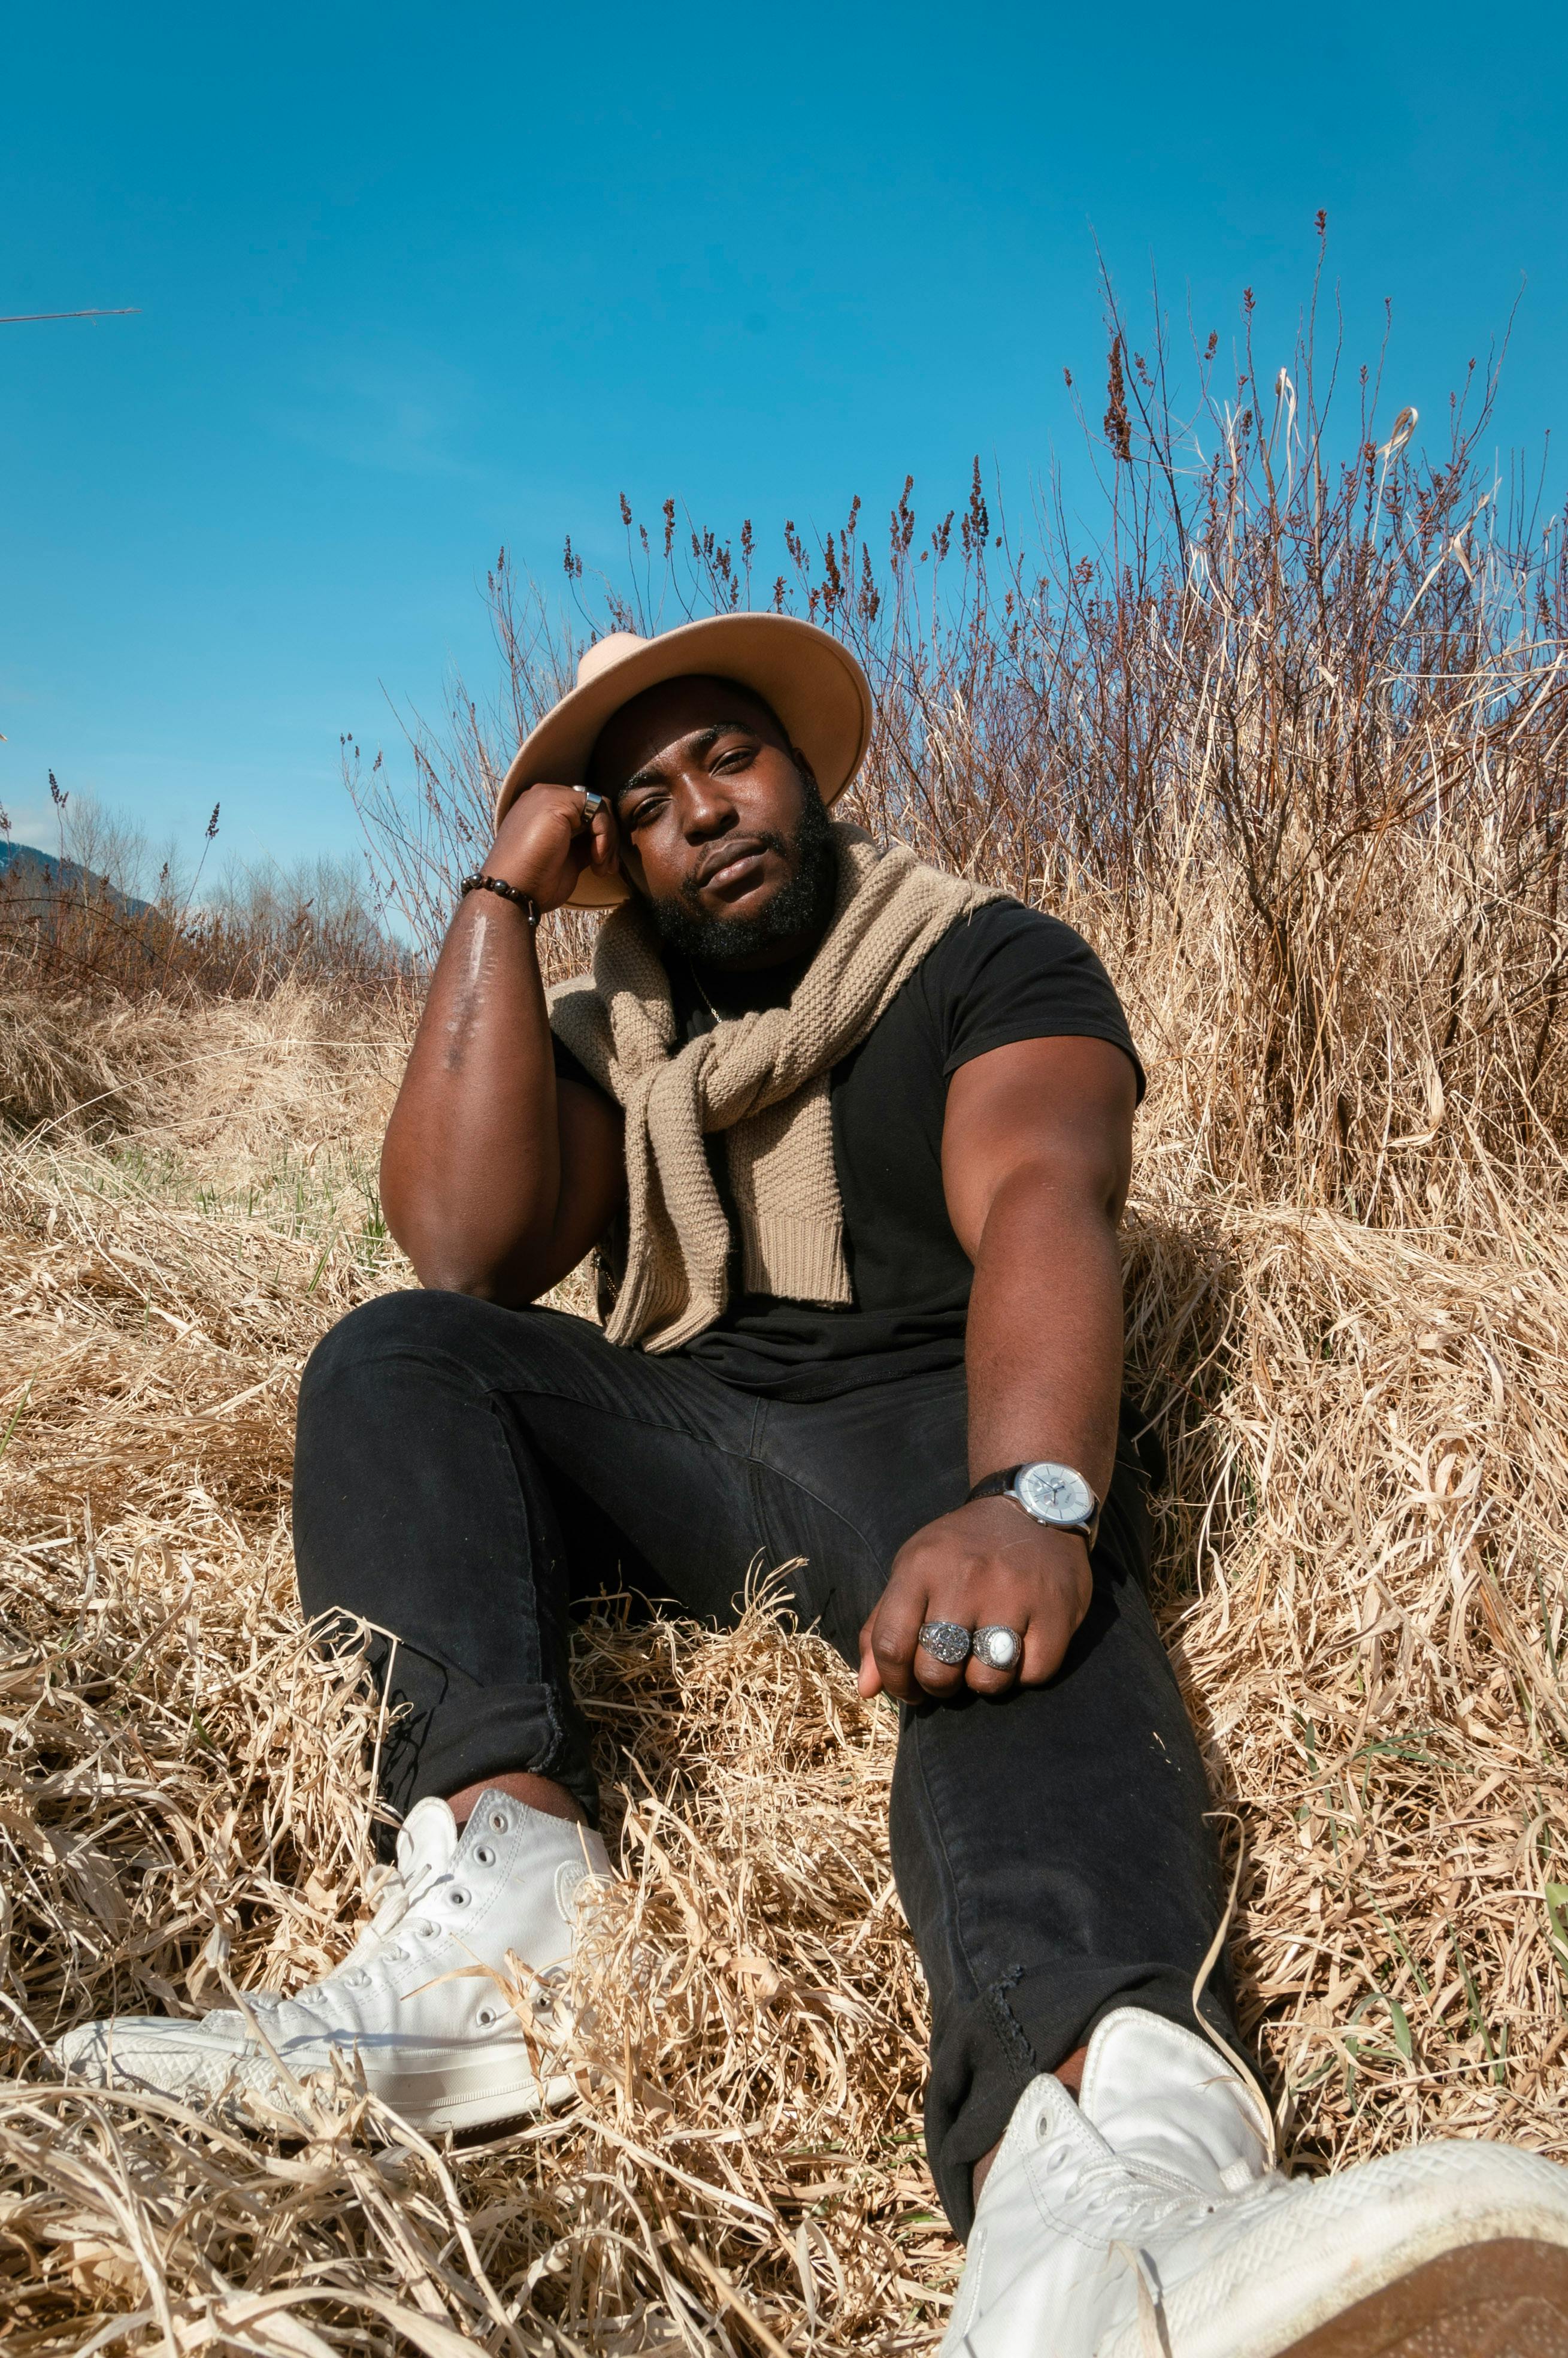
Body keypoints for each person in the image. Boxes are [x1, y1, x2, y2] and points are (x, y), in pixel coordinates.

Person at [57, 616, 1568, 2354]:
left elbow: (1040, 1199)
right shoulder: (602, 1030)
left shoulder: (979, 955)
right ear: (609, 849)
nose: (700, 807)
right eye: (643, 796)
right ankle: (501, 1915)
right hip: (692, 1439)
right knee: (397, 1352)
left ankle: (1106, 2184)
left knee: (1012, 1641)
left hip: (933, 1434)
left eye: (730, 758)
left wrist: (1035, 1500)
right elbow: (464, 1244)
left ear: (805, 771)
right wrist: (496, 902)